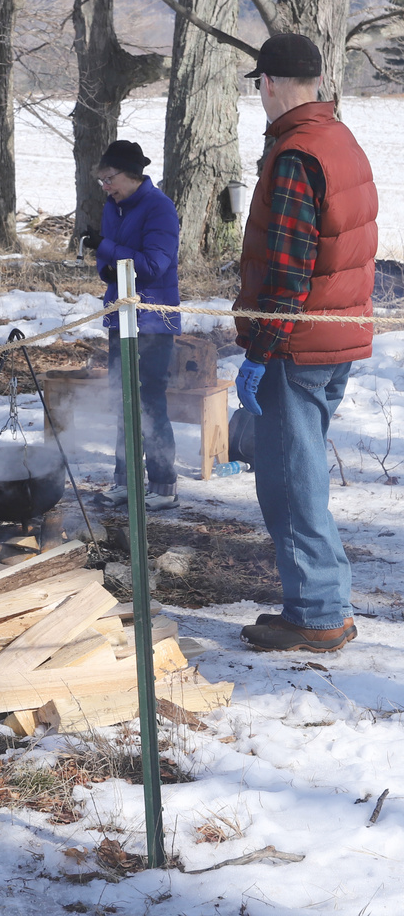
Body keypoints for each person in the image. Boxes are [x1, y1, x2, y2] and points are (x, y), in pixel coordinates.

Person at [234, 33, 377, 653]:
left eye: (259, 84)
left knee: (291, 483)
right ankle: (318, 604)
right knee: (303, 475)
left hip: (298, 344)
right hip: (335, 333)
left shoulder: (295, 153)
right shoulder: (337, 136)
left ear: (267, 83)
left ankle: (317, 614)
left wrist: (262, 350)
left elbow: (287, 270)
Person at [86, 140, 181, 511]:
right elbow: (110, 260)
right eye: (102, 181)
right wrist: (104, 264)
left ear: (132, 175)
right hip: (120, 313)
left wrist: (106, 249)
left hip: (153, 319)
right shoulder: (114, 206)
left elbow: (155, 265)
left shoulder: (160, 208)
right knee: (122, 398)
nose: (106, 187)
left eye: (110, 179)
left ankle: (163, 484)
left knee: (150, 401)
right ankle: (125, 480)